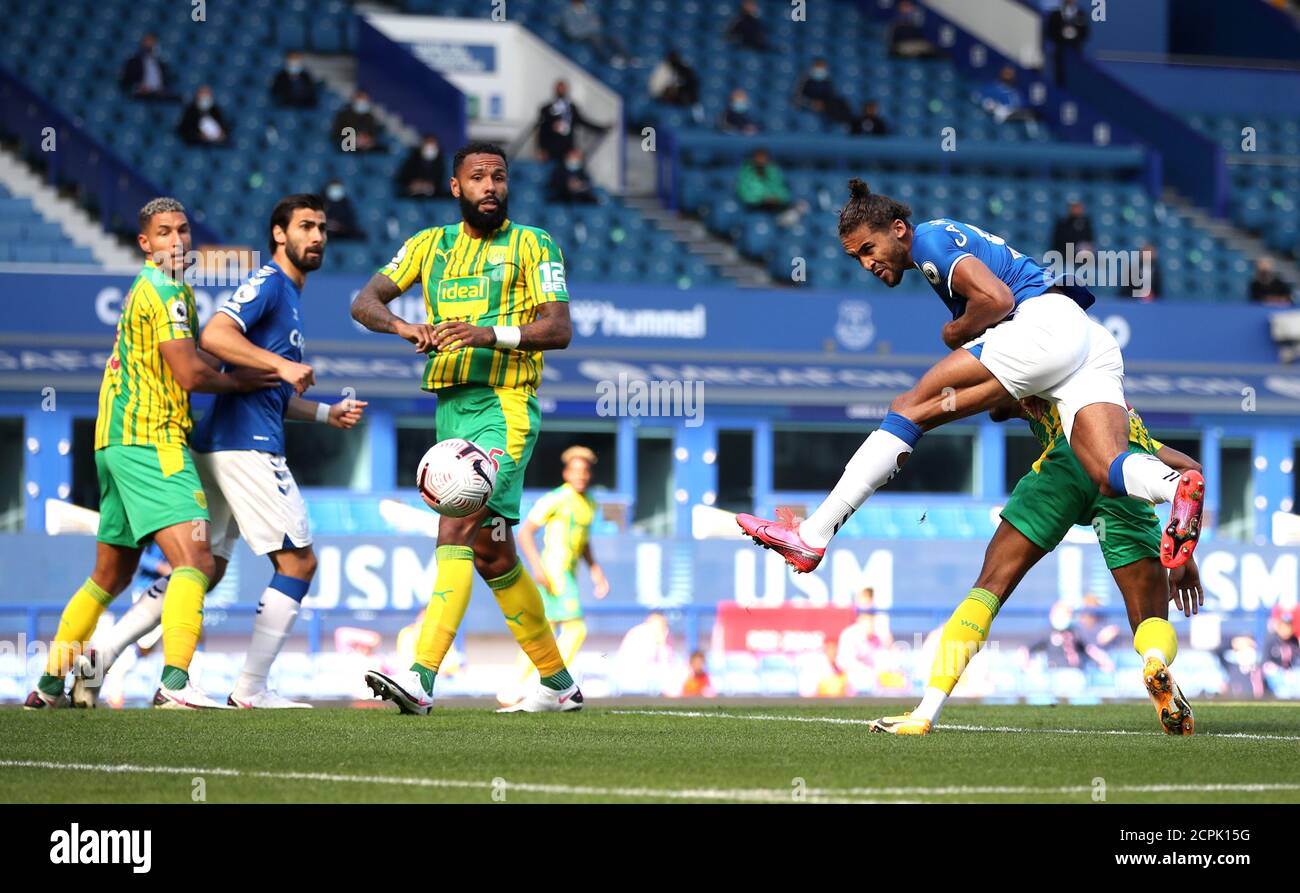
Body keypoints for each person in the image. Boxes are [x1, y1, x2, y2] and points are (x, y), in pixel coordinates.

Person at [738, 179, 1207, 582]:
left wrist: (953, 332)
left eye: (868, 249)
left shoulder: (932, 244)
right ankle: (1175, 488)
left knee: (908, 407)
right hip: (1087, 339)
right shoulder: (939, 247)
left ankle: (813, 535)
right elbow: (1003, 396)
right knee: (1107, 468)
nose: (866, 263)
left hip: (1041, 321)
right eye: (855, 257)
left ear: (897, 230)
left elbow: (998, 300)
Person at [72, 195, 368, 709]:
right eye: (305, 227)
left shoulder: (288, 298)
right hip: (246, 448)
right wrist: (281, 368)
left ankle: (97, 658)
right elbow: (216, 333)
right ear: (279, 234)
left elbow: (262, 387)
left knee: (203, 569)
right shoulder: (269, 283)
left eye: (322, 228)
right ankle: (251, 689)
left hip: (220, 444)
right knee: (298, 563)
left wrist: (323, 413)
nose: (317, 236)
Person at [351, 142, 582, 714]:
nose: (490, 186)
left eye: (499, 177)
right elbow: (365, 300)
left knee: (455, 531)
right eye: (477, 177)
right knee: (494, 554)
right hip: (451, 410)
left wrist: (490, 333)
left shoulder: (534, 244)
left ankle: (421, 678)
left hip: (504, 405)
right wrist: (405, 328)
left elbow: (559, 328)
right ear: (456, 188)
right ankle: (559, 686)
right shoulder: (429, 246)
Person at [26, 197, 280, 710]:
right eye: (164, 233)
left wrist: (235, 366)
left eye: (183, 230)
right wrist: (246, 378)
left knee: (110, 576)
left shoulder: (163, 287)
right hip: (151, 440)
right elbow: (189, 374)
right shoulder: (165, 289)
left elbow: (190, 356)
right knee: (196, 558)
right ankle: (175, 684)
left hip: (114, 441)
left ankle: (49, 685)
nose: (178, 241)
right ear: (145, 243)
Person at [869, 397, 1202, 735]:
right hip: (1126, 470)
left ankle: (926, 712)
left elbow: (982, 393)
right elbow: (1192, 471)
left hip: (1071, 457)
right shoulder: (1126, 418)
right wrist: (1184, 553)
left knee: (989, 587)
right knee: (1151, 619)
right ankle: (1154, 661)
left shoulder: (1035, 366)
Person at [500, 445, 608, 706]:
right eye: (576, 471)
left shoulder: (590, 502)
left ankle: (512, 688)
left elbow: (583, 542)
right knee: (576, 628)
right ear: (567, 473)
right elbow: (525, 532)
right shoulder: (556, 498)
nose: (581, 476)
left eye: (585, 471)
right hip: (554, 570)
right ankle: (552, 683)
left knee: (542, 631)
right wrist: (537, 567)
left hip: (568, 570)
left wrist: (596, 571)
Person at [535, 80, 608, 162]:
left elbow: (582, 121)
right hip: (550, 148)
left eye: (563, 88)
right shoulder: (546, 109)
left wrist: (601, 128)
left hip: (567, 149)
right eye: (559, 88)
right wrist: (541, 148)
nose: (561, 90)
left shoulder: (571, 108)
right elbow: (542, 129)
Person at [559, 0, 631, 67]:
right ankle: (610, 60)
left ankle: (628, 58)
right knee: (595, 39)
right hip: (580, 36)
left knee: (614, 37)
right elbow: (573, 30)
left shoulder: (589, 9)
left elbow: (597, 23)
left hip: (595, 33)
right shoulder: (568, 12)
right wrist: (588, 27)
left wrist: (589, 26)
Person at [978, 66, 1039, 138]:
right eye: (1006, 73)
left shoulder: (1016, 92)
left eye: (1010, 73)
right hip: (999, 115)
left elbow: (1023, 105)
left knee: (1030, 115)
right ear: (1001, 73)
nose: (1008, 75)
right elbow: (979, 98)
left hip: (1014, 114)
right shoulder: (992, 88)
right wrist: (994, 106)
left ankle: (1035, 138)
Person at [793, 58, 853, 126]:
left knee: (841, 103)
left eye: (822, 67)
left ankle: (847, 124)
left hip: (824, 104)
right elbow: (797, 97)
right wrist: (810, 103)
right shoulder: (804, 80)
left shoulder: (828, 80)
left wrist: (823, 103)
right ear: (813, 68)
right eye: (818, 67)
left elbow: (831, 95)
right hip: (807, 103)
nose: (820, 70)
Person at [119, 33, 176, 101]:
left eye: (152, 43)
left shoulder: (161, 65)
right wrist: (138, 87)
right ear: (142, 44)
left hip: (159, 95)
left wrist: (163, 89)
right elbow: (125, 81)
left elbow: (168, 82)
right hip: (141, 94)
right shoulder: (133, 62)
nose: (149, 46)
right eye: (147, 42)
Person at [1046, 0, 1090, 86]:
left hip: (1075, 51)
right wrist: (1062, 35)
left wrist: (1074, 36)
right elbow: (1050, 32)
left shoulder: (1081, 14)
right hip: (1060, 50)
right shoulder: (1055, 14)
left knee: (1076, 75)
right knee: (1059, 75)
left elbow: (1085, 33)